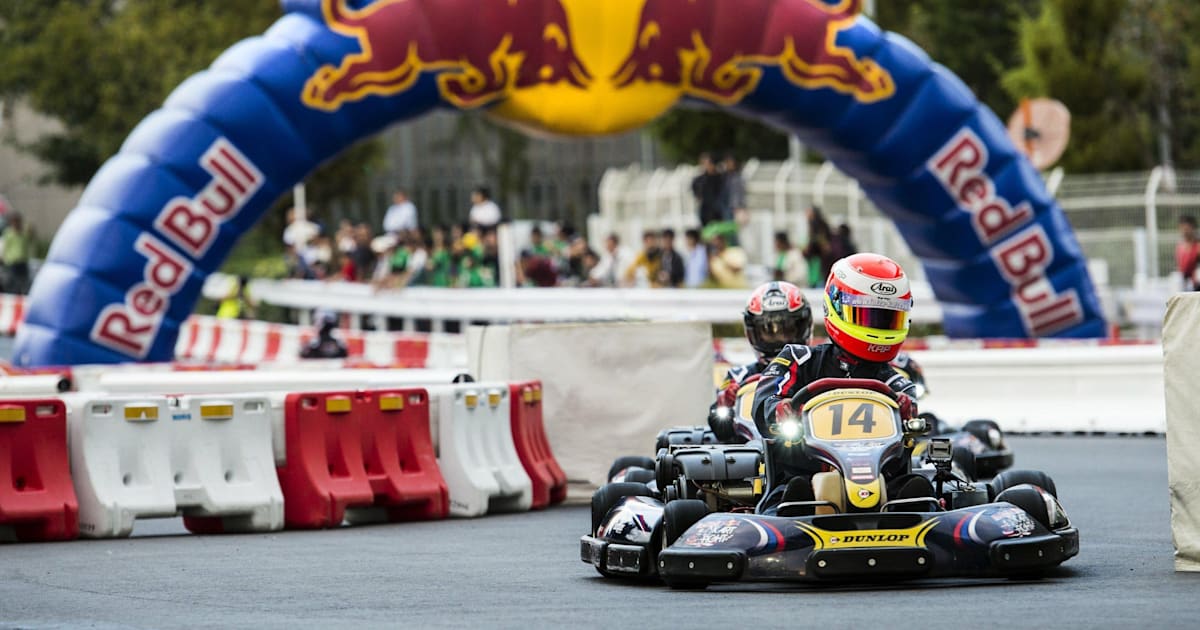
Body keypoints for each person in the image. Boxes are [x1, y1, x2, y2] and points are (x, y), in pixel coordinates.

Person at [751, 253, 922, 515]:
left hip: (881, 483)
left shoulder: (896, 382)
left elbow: (912, 414)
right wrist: (779, 408)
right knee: (789, 496)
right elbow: (764, 400)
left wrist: (907, 410)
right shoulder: (798, 359)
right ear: (836, 307)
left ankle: (914, 514)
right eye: (867, 316)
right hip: (803, 479)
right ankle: (794, 517)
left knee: (919, 490)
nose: (878, 327)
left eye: (888, 319)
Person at [708, 282, 813, 443]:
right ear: (753, 332)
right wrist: (725, 404)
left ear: (804, 326)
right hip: (749, 451)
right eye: (769, 331)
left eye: (787, 330)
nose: (778, 338)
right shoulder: (738, 377)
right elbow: (720, 430)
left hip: (803, 449)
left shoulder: (814, 372)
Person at [802, 206, 834, 288]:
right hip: (817, 255)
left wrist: (809, 248)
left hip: (817, 254)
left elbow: (818, 239)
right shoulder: (820, 223)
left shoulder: (816, 224)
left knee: (818, 275)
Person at [0, 212, 32, 294]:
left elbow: (29, 243)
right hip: (12, 262)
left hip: (23, 261)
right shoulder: (8, 233)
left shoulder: (24, 233)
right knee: (12, 282)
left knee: (24, 281)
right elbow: (5, 246)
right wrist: (3, 257)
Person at [691, 153, 726, 226]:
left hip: (719, 211)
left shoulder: (721, 178)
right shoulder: (700, 180)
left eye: (709, 163)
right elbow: (696, 192)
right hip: (705, 211)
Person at [721, 155, 747, 225]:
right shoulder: (723, 177)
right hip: (725, 207)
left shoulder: (738, 177)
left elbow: (740, 192)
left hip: (736, 207)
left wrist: (740, 206)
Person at [1178, 216, 1200, 291]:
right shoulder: (1180, 246)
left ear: (1193, 228)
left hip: (1197, 285)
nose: (1185, 232)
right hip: (1186, 283)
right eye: (1182, 228)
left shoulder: (1197, 246)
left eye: (1187, 229)